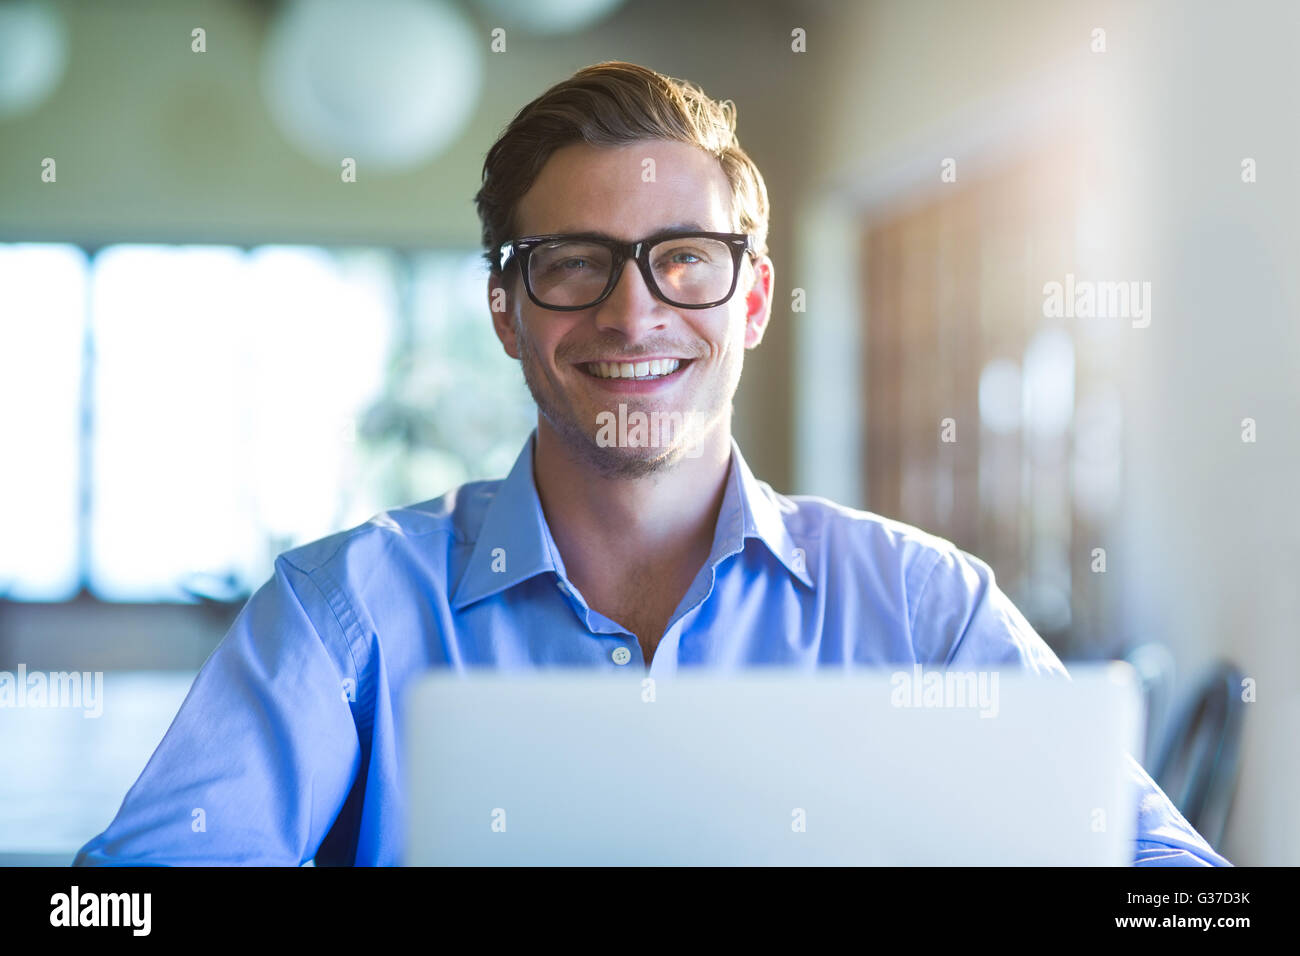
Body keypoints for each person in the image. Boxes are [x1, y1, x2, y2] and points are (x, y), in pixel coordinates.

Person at [74, 61, 1229, 867]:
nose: (634, 315)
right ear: (506, 309)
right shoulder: (345, 614)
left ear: (755, 298)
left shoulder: (921, 606)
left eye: (684, 259)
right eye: (574, 262)